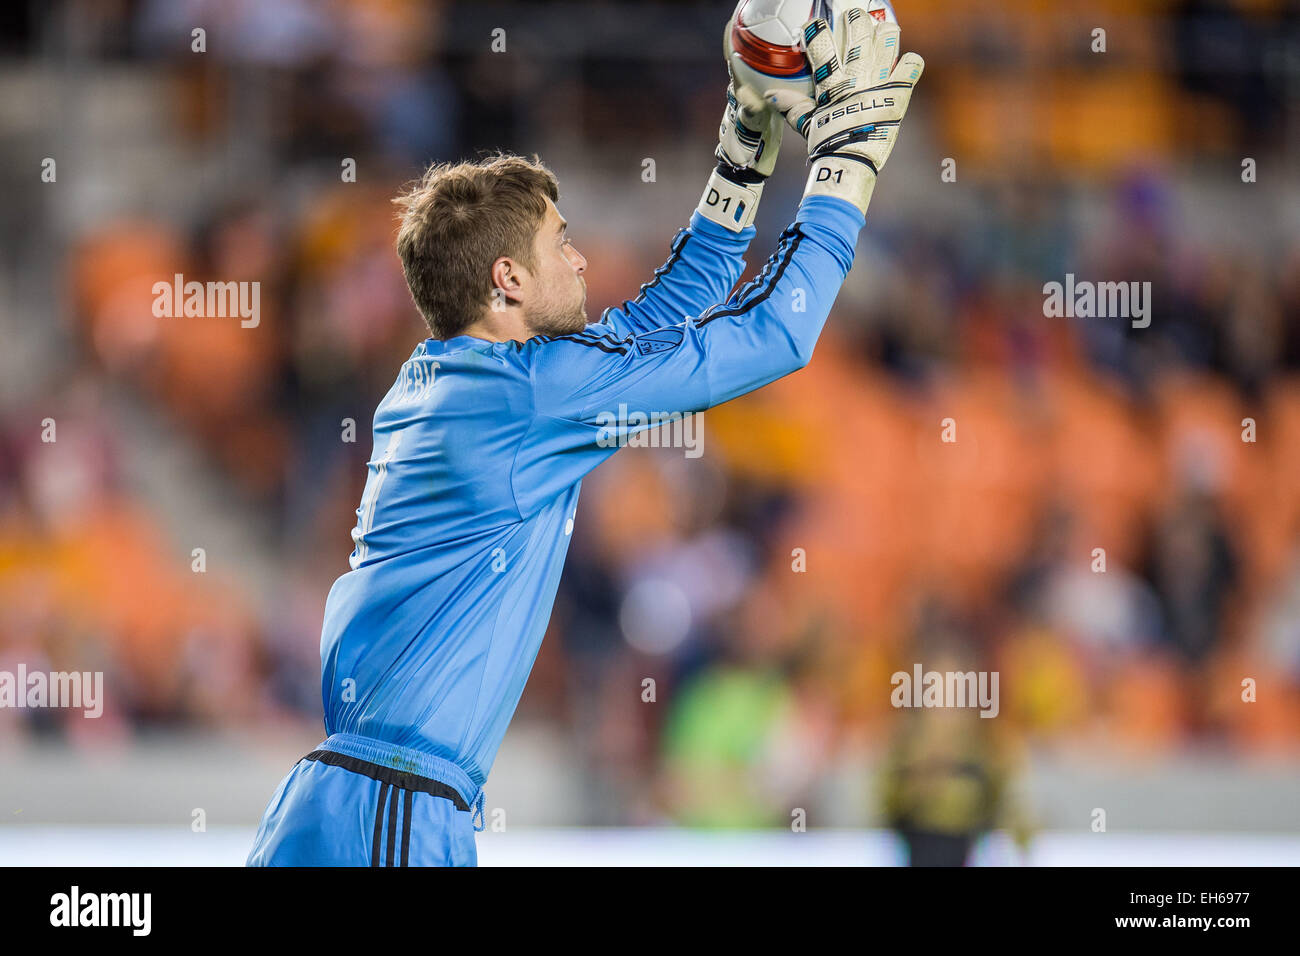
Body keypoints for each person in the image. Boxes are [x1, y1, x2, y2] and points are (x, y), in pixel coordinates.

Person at [248, 8, 924, 866]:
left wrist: (745, 138)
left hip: (365, 800)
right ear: (507, 280)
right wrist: (846, 167)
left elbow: (661, 318)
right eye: (560, 246)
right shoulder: (528, 397)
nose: (580, 264)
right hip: (393, 810)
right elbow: (774, 339)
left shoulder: (467, 381)